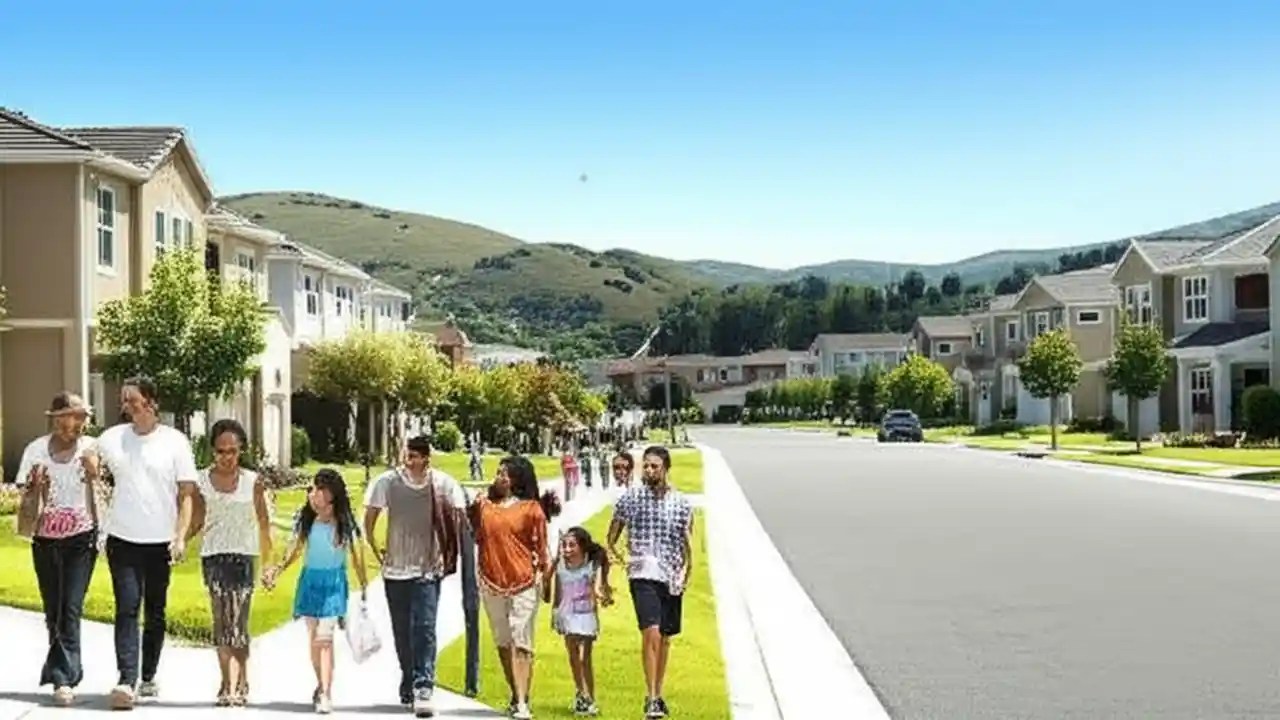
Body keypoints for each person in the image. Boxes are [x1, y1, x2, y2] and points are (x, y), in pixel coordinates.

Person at [95, 376, 200, 711]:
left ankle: (148, 674)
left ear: (151, 402)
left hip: (159, 542)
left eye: (133, 399)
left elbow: (186, 494)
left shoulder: (175, 442)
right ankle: (127, 680)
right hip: (122, 538)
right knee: (127, 607)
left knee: (155, 611)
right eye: (124, 399)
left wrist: (180, 536)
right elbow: (90, 465)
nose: (126, 405)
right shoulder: (111, 439)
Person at [363, 435, 466, 717]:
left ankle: (424, 685)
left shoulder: (442, 484)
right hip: (395, 569)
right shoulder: (387, 482)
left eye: (414, 456)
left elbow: (460, 516)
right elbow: (370, 518)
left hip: (428, 569)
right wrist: (375, 547)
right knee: (402, 631)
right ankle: (408, 677)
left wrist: (448, 548)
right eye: (407, 455)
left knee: (424, 627)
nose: (409, 461)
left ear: (426, 458)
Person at [15, 392, 100, 707]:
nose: (74, 426)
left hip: (81, 537)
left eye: (80, 419)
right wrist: (36, 486)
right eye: (68, 419)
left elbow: (108, 488)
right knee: (53, 607)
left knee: (71, 607)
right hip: (45, 539)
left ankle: (63, 678)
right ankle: (65, 669)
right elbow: (23, 491)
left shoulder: (92, 449)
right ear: (55, 420)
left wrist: (96, 473)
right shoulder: (36, 450)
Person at [263, 469, 369, 715]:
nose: (312, 494)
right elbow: (295, 549)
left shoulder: (345, 522)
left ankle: (326, 693)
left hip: (333, 584)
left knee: (324, 637)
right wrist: (277, 570)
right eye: (312, 489)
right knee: (314, 640)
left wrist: (364, 585)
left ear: (331, 494)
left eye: (318, 489)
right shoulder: (306, 519)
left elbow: (357, 554)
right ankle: (321, 683)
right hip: (310, 582)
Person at [466, 456, 561, 720]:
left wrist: (546, 580)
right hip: (490, 581)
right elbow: (474, 532)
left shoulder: (531, 509)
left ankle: (521, 702)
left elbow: (542, 549)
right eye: (498, 473)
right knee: (503, 641)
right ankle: (516, 693)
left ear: (517, 479)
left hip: (524, 583)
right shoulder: (484, 506)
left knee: (522, 641)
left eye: (504, 474)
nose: (498, 477)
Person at [188, 419, 274, 707]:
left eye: (233, 451)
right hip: (214, 556)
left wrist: (269, 564)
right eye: (221, 451)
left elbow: (264, 524)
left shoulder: (253, 482)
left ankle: (242, 678)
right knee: (222, 621)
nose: (227, 457)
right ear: (212, 450)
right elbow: (196, 520)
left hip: (243, 557)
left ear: (241, 451)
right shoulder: (200, 481)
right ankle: (227, 682)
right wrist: (178, 542)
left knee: (238, 621)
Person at [607, 446, 694, 719]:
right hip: (643, 573)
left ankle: (657, 692)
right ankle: (652, 698)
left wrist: (686, 572)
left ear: (666, 468)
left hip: (671, 575)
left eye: (654, 466)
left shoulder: (681, 503)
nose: (649, 470)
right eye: (645, 465)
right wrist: (625, 560)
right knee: (651, 632)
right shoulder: (631, 499)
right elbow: (611, 537)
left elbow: (688, 544)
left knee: (665, 637)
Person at [543, 526, 612, 717]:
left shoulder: (592, 565)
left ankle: (590, 696)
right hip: (567, 616)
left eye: (571, 545)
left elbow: (597, 587)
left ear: (582, 546)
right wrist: (555, 612)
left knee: (585, 657)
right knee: (573, 654)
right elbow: (552, 591)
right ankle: (581, 693)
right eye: (564, 545)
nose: (567, 550)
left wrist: (603, 596)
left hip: (586, 616)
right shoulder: (560, 565)